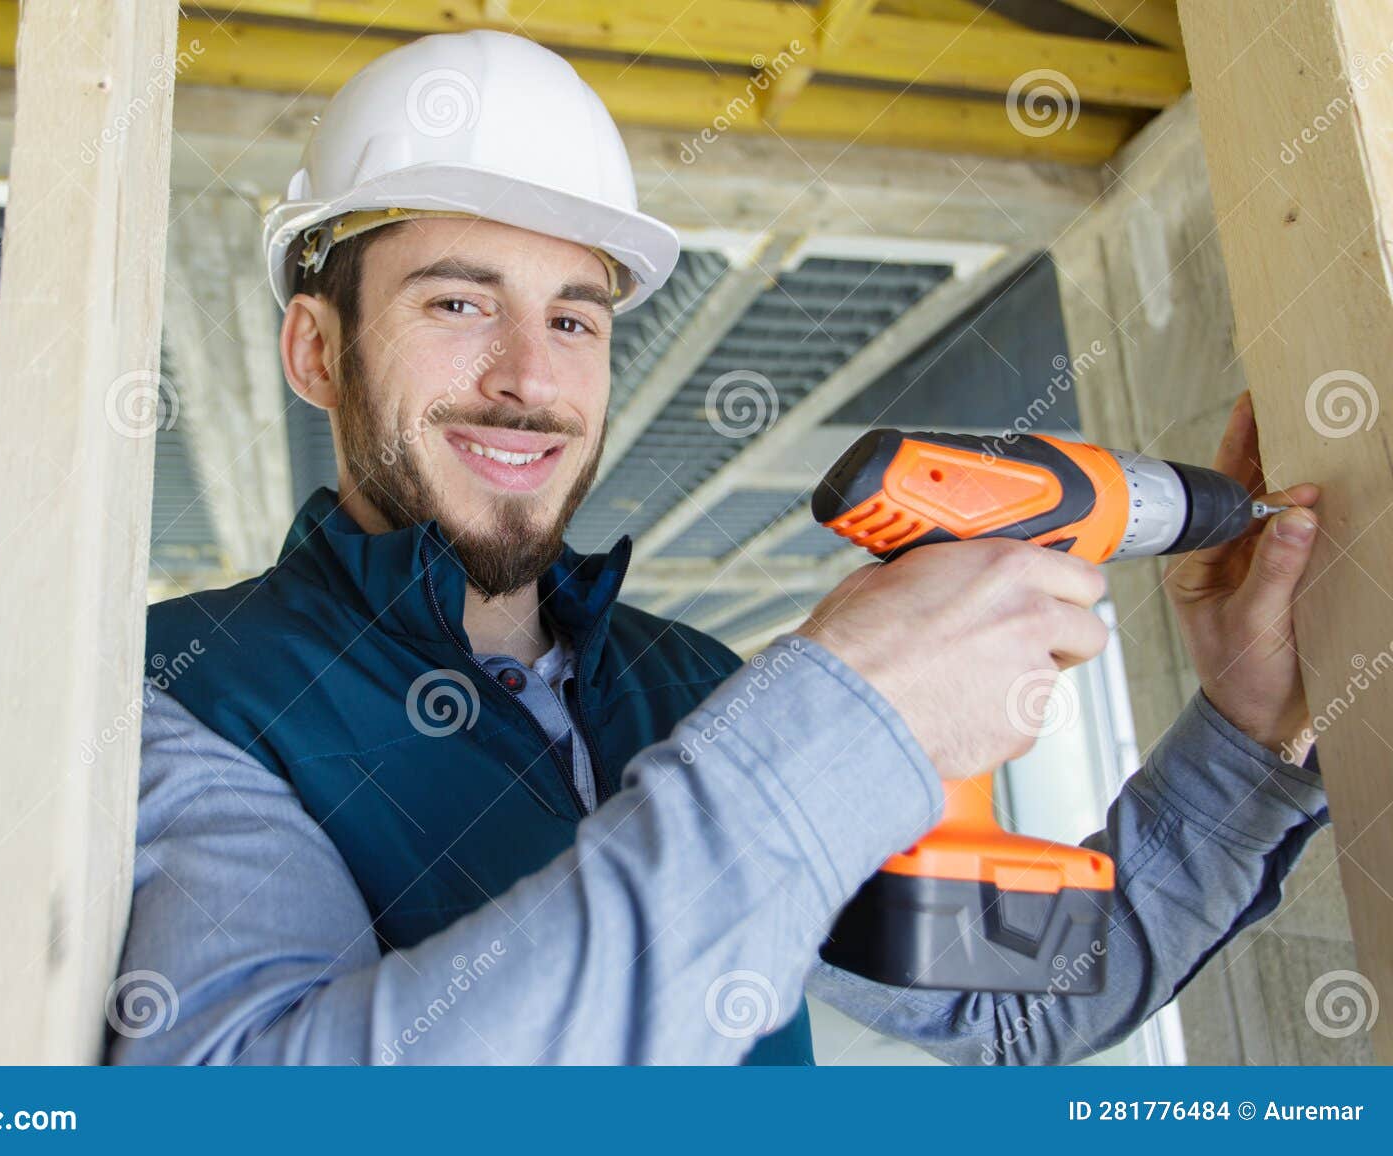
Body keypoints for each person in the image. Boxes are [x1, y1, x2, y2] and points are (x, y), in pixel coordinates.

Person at [107, 30, 1327, 1065]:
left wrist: (1243, 733)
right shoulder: (188, 688)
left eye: (573, 316)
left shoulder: (692, 683)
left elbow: (1020, 994)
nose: (529, 378)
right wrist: (844, 726)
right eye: (457, 301)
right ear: (317, 350)